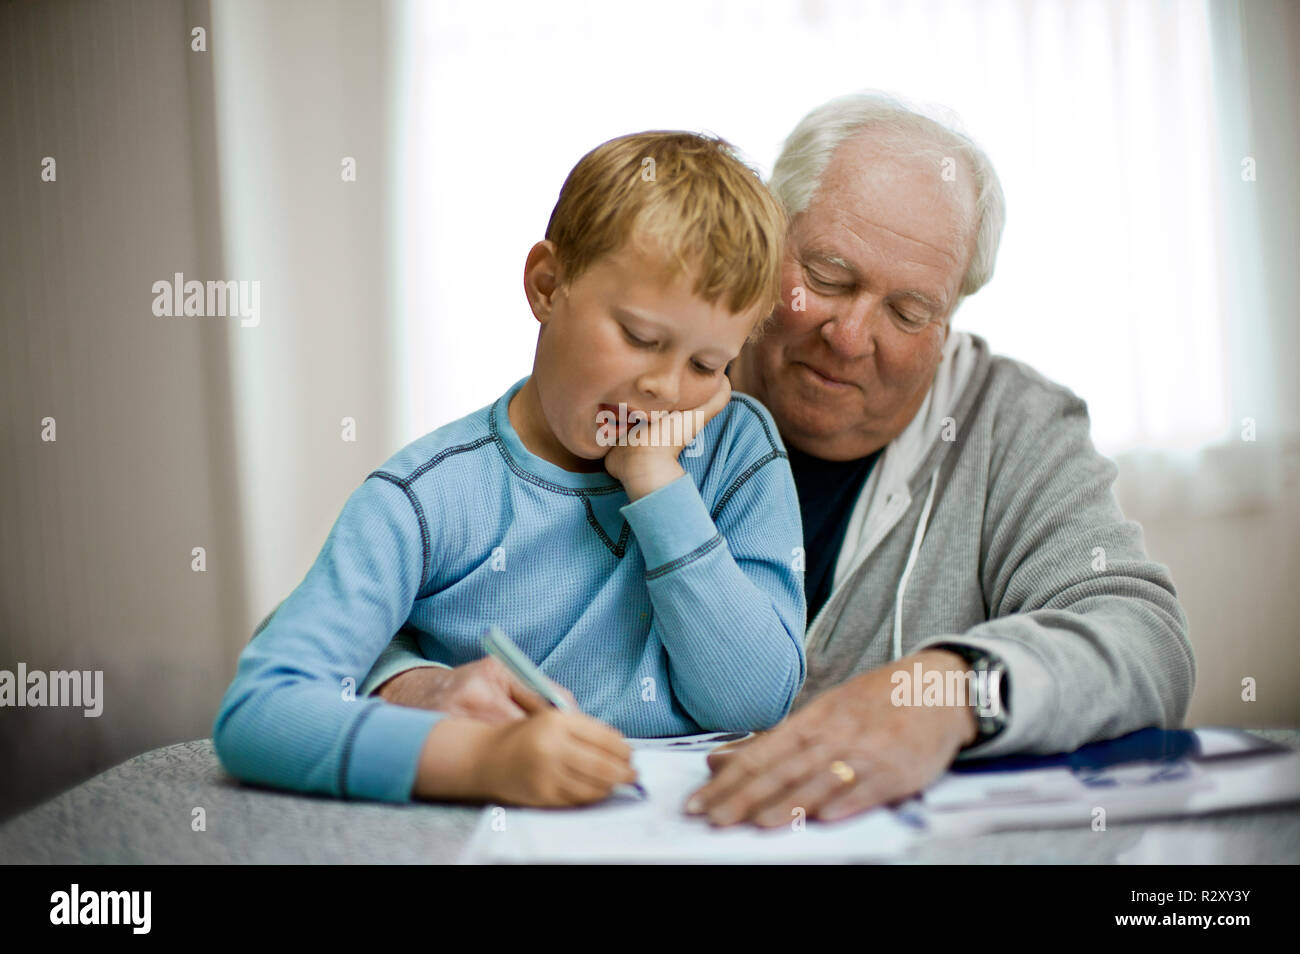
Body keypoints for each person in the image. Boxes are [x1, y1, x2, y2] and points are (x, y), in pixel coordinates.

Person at [367, 93, 1196, 829]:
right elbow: (333, 632)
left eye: (909, 310)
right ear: (769, 234)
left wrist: (948, 693)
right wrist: (408, 686)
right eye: (829, 275)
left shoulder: (1011, 425)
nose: (851, 335)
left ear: (950, 319)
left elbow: (1143, 640)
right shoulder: (631, 391)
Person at [212, 130, 807, 808]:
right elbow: (260, 710)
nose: (666, 390)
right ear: (548, 285)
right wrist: (481, 759)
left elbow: (755, 698)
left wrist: (655, 479)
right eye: (641, 338)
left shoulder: (737, 449)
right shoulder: (429, 495)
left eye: (708, 365)